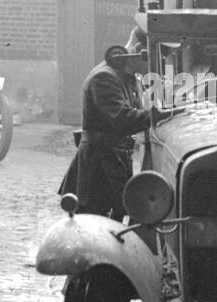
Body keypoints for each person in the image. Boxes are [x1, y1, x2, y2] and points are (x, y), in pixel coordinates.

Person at [59, 36, 168, 220]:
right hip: (99, 165)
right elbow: (123, 119)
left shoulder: (128, 77)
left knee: (114, 221)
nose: (154, 69)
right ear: (140, 51)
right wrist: (164, 114)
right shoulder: (104, 78)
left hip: (115, 159)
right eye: (153, 60)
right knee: (94, 225)